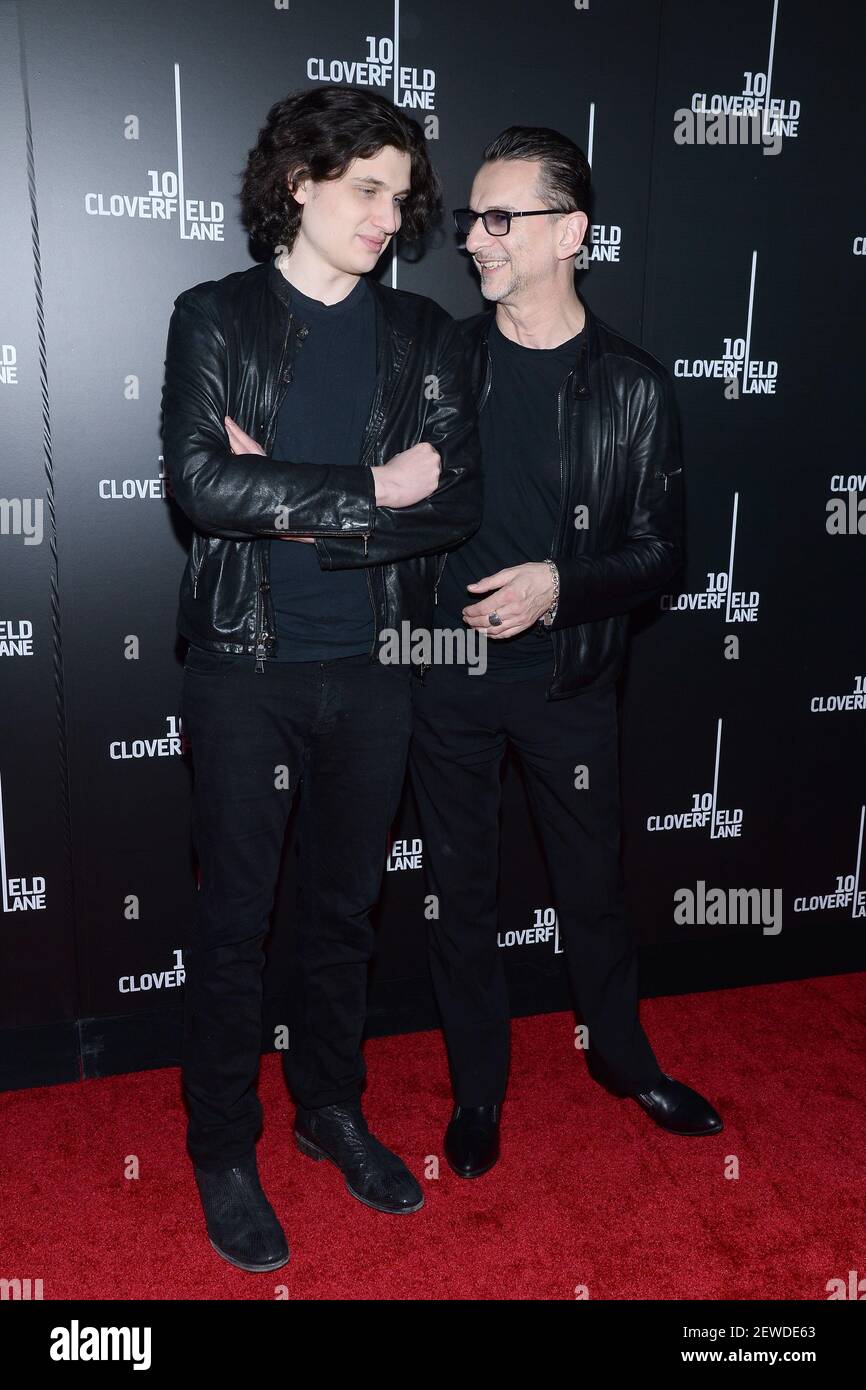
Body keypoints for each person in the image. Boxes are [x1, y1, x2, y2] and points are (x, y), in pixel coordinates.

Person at [161, 85, 481, 1270]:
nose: (385, 217)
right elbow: (200, 485)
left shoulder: (426, 337)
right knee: (238, 920)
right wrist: (364, 490)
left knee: (344, 916)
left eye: (400, 199)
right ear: (297, 182)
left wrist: (288, 499)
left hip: (378, 667)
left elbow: (452, 505)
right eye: (363, 190)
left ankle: (328, 1108)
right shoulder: (214, 315)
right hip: (243, 667)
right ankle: (220, 1143)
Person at [408, 125, 722, 1181]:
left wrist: (556, 586)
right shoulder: (439, 360)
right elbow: (388, 496)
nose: (475, 242)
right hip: (443, 679)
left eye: (500, 220)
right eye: (471, 221)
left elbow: (658, 556)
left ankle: (623, 1062)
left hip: (566, 682)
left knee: (589, 888)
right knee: (459, 896)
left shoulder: (630, 387)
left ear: (569, 234)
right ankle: (477, 1089)